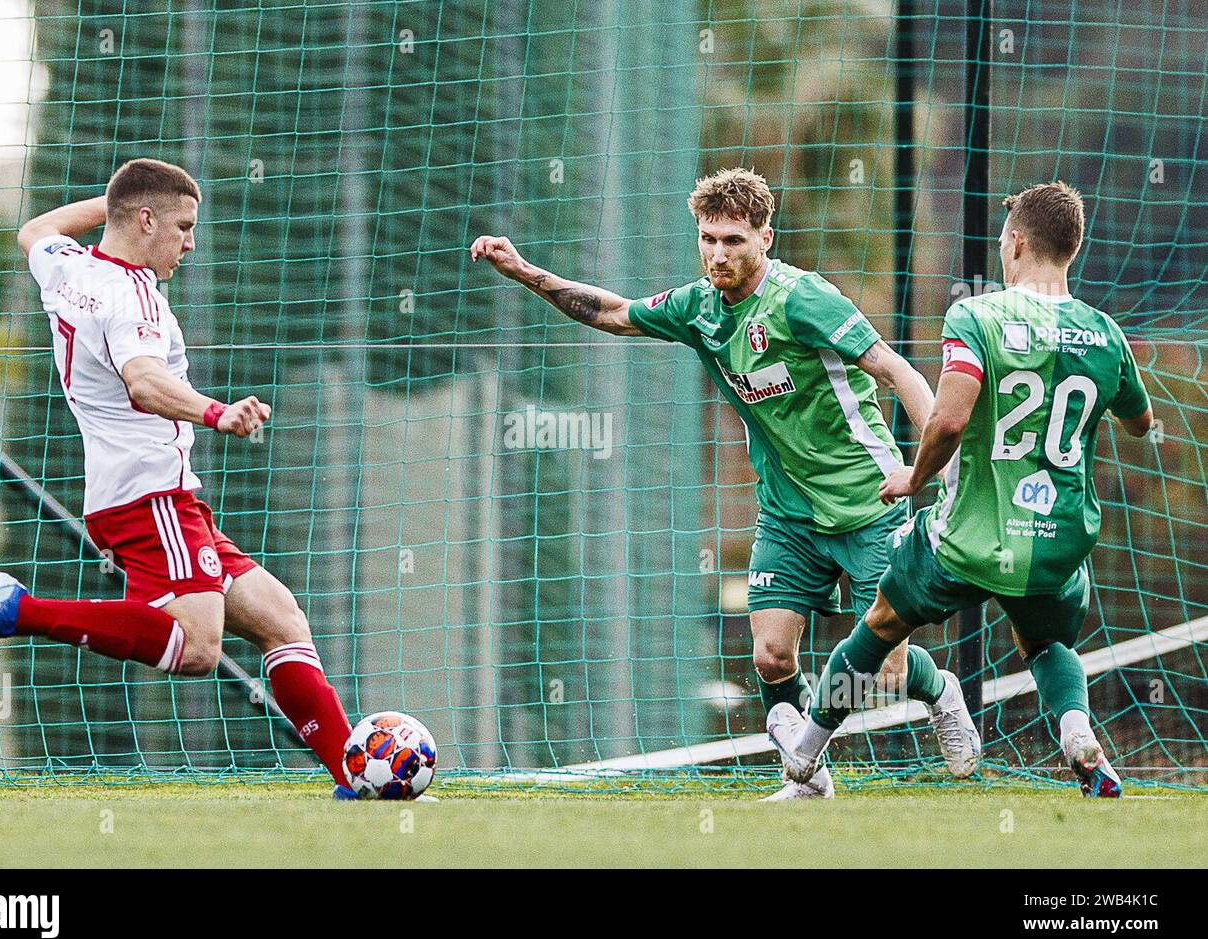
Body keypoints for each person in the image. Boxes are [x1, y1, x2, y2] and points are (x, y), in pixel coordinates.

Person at [472, 167, 979, 800]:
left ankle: (940, 691)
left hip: (867, 500)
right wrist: (525, 272)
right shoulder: (698, 309)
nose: (718, 253)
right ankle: (811, 779)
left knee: (888, 672)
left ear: (766, 238)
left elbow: (896, 368)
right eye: (709, 238)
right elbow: (611, 313)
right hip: (787, 513)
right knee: (771, 657)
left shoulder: (804, 299)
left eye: (734, 240)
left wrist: (922, 468)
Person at [0, 157, 359, 799]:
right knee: (197, 649)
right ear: (146, 221)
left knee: (282, 622)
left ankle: (355, 778)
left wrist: (118, 204)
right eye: (183, 226)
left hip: (153, 496)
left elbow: (35, 228)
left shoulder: (70, 269)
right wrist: (217, 412)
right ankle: (21, 610)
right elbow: (143, 380)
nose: (190, 243)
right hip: (149, 495)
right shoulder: (133, 293)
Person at [767, 181, 1153, 798]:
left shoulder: (975, 315)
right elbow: (1141, 422)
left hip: (967, 535)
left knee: (880, 625)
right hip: (1057, 541)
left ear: (1017, 242)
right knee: (1047, 642)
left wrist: (913, 477)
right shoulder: (1104, 332)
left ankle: (805, 753)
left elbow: (947, 420)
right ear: (1071, 251)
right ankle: (1077, 732)